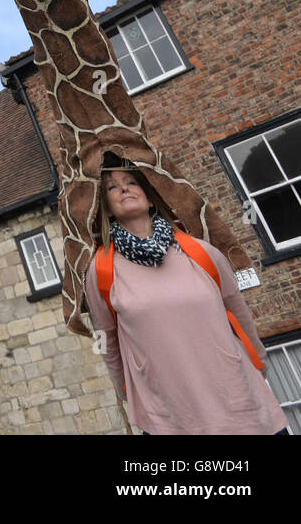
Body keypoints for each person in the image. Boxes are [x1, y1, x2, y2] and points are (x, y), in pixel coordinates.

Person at [84, 159, 287, 435]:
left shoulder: (201, 252)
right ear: (106, 208)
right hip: (168, 412)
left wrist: (258, 362)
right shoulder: (101, 271)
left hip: (237, 400)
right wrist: (126, 391)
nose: (124, 189)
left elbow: (238, 311)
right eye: (112, 188)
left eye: (131, 182)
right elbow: (105, 337)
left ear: (150, 198)